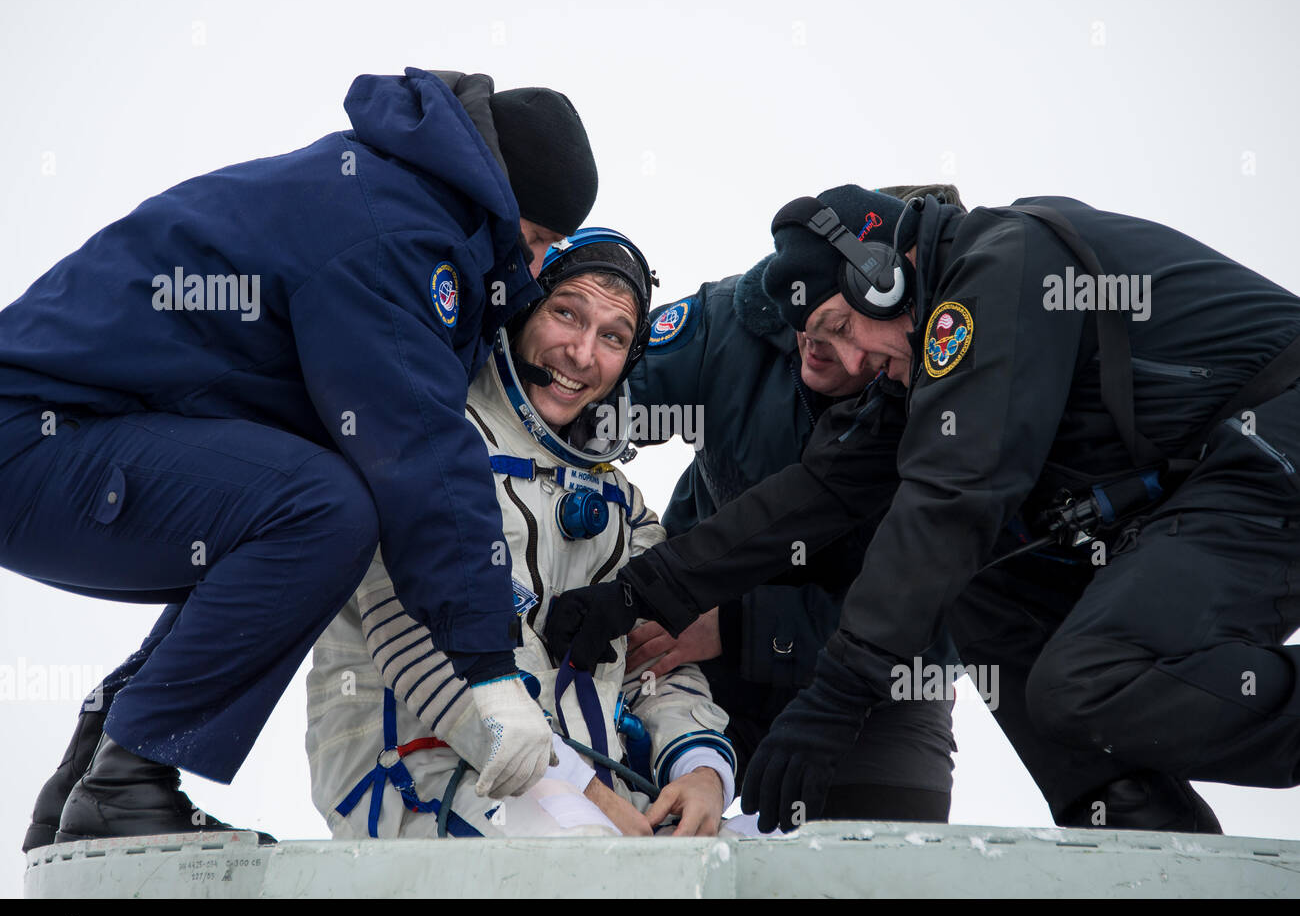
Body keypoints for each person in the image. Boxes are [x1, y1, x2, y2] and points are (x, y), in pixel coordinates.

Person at [544, 183, 1300, 834]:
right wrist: (637, 591)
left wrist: (834, 697)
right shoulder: (914, 373)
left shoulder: (1001, 270)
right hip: (1215, 476)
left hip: (1271, 445)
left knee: (1083, 673)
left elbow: (952, 501)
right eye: (815, 337)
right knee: (995, 596)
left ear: (884, 276)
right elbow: (820, 492)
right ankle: (1157, 851)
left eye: (844, 329)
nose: (851, 360)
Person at [12, 67, 597, 850]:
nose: (529, 265)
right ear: (496, 195)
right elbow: (419, 449)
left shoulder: (386, 194)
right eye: (533, 241)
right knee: (322, 510)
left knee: (276, 505)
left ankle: (95, 777)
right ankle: (129, 779)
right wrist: (490, 668)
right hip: (34, 437)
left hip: (62, 435)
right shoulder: (392, 233)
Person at [306, 230, 736, 838]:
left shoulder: (623, 507)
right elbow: (411, 638)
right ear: (521, 311)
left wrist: (699, 770)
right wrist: (573, 789)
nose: (583, 355)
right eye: (567, 314)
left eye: (612, 337)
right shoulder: (430, 437)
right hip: (423, 784)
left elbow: (659, 657)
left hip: (589, 810)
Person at [622, 186, 961, 822]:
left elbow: (951, 624)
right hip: (690, 640)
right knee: (634, 830)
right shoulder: (729, 322)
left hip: (876, 683)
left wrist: (741, 627)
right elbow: (601, 381)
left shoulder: (957, 398)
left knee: (884, 866)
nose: (821, 344)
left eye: (850, 332)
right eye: (818, 321)